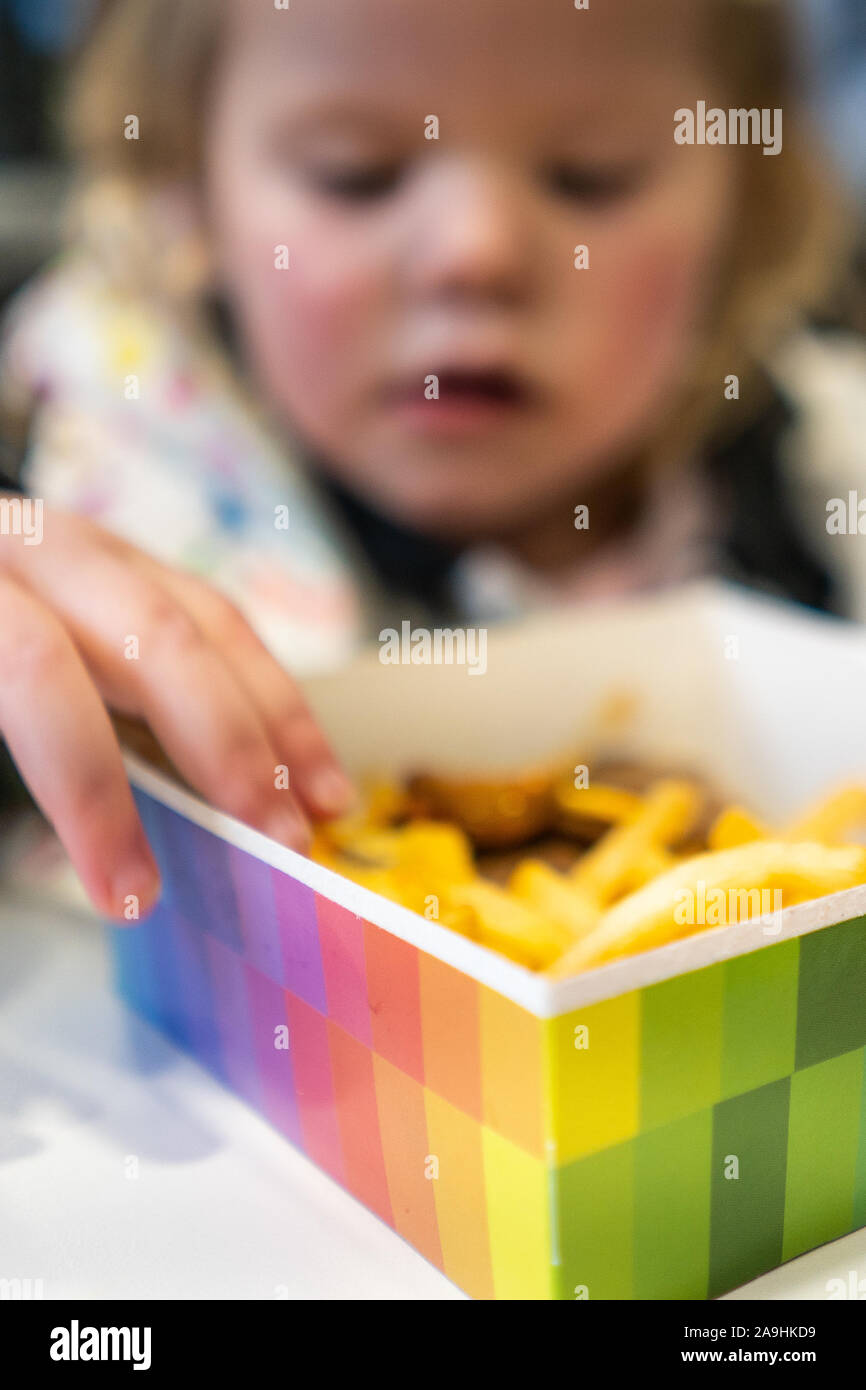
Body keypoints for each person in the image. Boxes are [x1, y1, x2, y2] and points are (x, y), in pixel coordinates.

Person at [0, 0, 863, 920]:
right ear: (188, 189)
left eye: (589, 178)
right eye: (357, 177)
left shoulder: (824, 479)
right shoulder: (82, 470)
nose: (474, 252)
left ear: (747, 209)